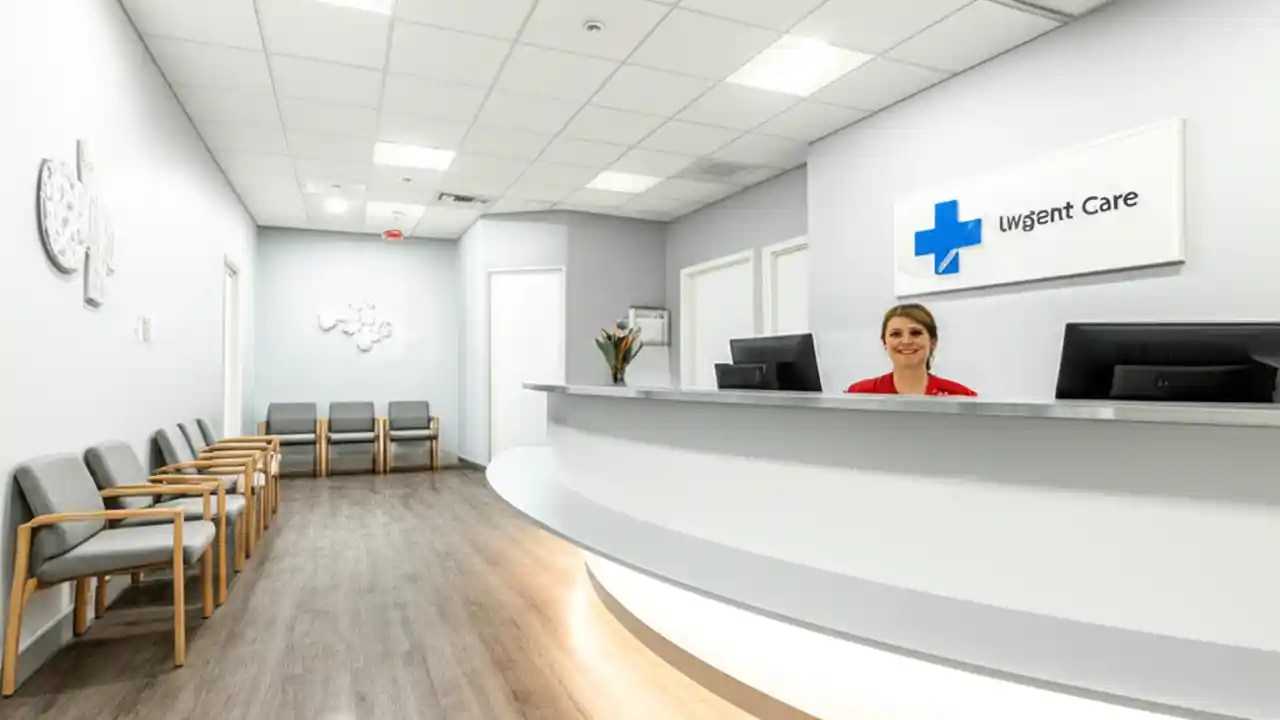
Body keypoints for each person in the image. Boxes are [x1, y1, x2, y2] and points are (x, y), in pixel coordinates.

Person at [845, 303, 976, 396]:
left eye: (915, 333)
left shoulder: (961, 397)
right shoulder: (858, 394)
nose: (906, 341)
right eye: (896, 334)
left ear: (933, 341)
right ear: (884, 343)